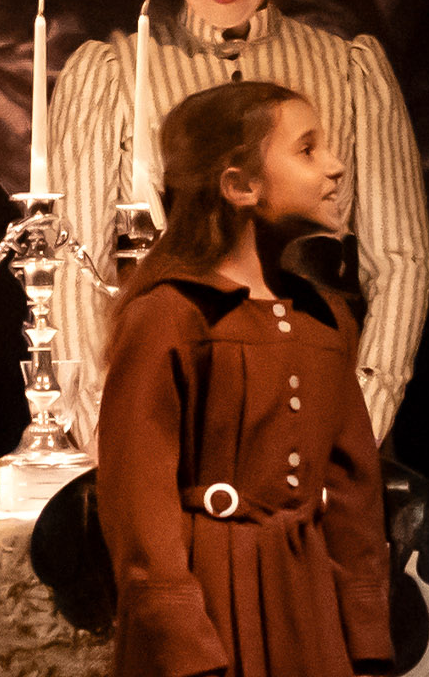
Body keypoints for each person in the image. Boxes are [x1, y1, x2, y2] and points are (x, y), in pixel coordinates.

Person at [53, 0, 429, 445]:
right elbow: (72, 269)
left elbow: (401, 263)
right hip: (167, 409)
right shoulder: (112, 77)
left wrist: (355, 423)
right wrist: (110, 434)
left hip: (322, 404)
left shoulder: (350, 71)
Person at [95, 81, 391, 677]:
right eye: (307, 149)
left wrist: (364, 633)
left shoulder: (323, 318)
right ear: (239, 186)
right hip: (210, 599)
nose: (335, 167)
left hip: (307, 603)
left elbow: (353, 488)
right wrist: (181, 638)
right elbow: (138, 499)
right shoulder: (172, 314)